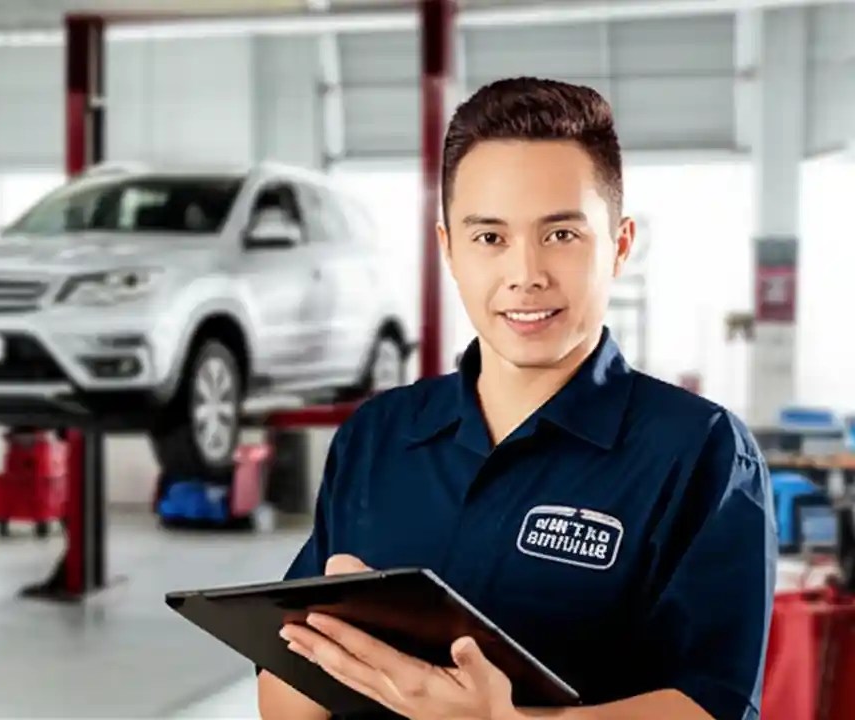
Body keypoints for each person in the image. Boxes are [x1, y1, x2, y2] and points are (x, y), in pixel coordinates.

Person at [258, 77, 776, 720]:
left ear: (618, 245)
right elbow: (285, 691)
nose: (525, 274)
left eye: (561, 235)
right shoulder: (379, 434)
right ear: (450, 250)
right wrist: (323, 650)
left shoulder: (699, 451)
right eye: (490, 238)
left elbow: (713, 705)